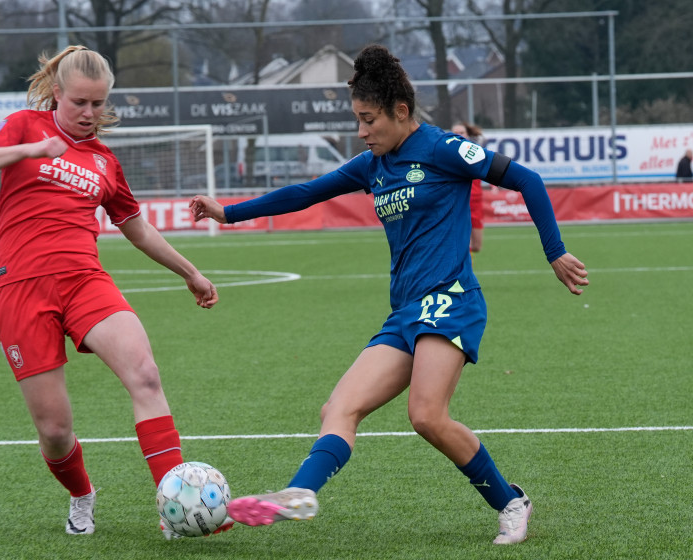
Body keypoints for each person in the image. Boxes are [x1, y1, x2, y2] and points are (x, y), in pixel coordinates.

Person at [189, 44, 589, 545]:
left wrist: (555, 252)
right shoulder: (370, 165)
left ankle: (510, 501)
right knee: (338, 408)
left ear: (401, 112)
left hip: (452, 300)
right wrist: (228, 212)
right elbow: (305, 193)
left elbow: (525, 179)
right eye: (357, 119)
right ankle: (297, 494)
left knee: (425, 415)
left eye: (368, 118)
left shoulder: (444, 149)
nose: (361, 131)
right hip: (405, 314)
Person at [0, 45, 230, 539]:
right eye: (80, 102)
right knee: (55, 431)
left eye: (98, 104)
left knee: (145, 375)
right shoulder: (23, 126)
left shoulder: (104, 160)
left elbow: (137, 228)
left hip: (85, 281)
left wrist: (191, 272)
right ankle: (82, 493)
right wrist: (31, 151)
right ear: (57, 93)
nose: (89, 113)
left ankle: (176, 503)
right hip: (21, 289)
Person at [451, 121, 486, 253]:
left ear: (467, 134)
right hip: (458, 202)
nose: (458, 135)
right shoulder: (447, 154)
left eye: (461, 132)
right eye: (455, 133)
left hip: (476, 203)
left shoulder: (476, 151)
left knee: (476, 246)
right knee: (460, 244)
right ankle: (462, 271)